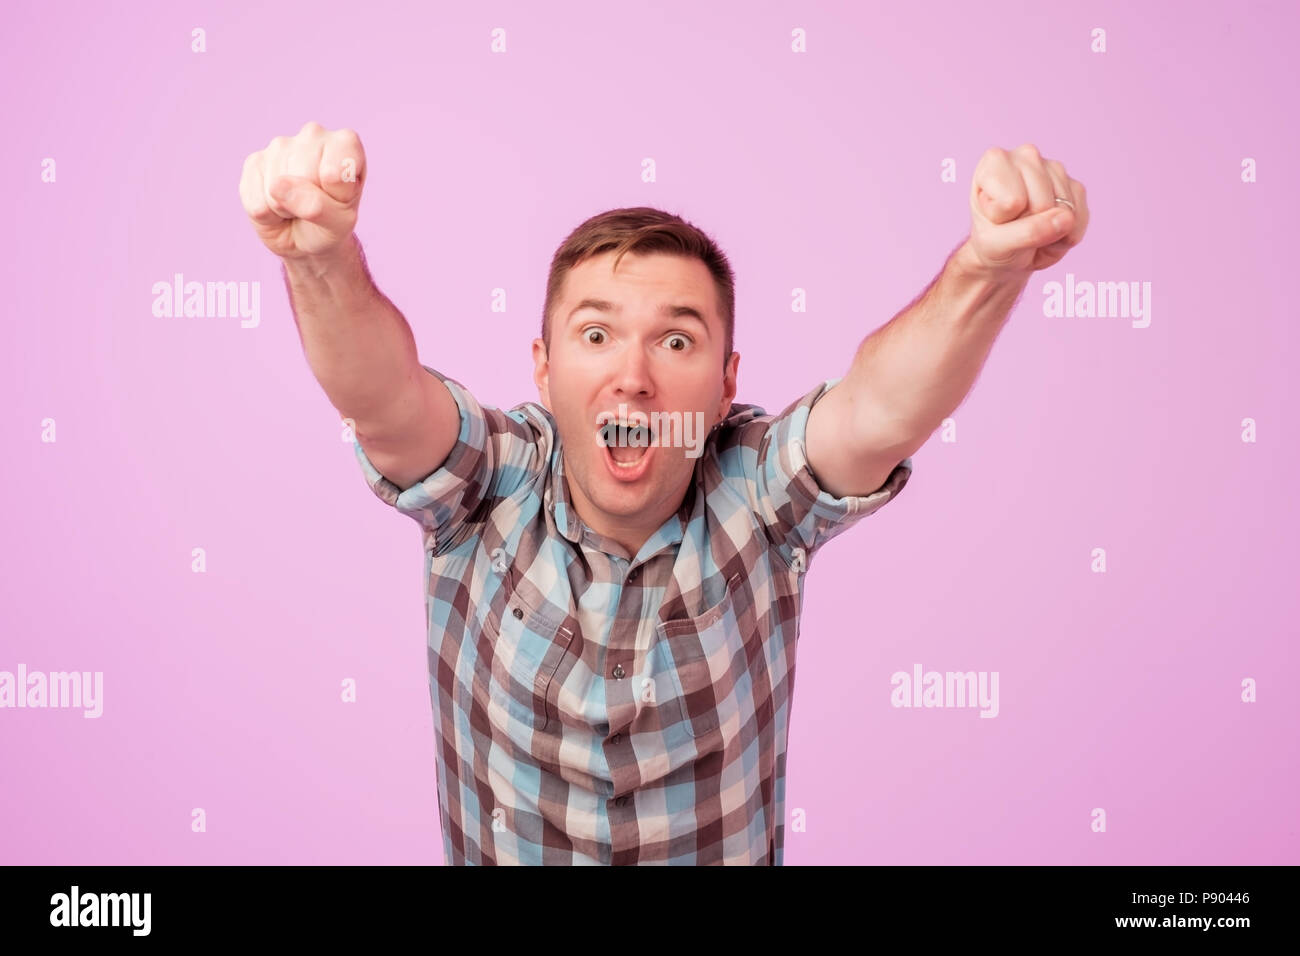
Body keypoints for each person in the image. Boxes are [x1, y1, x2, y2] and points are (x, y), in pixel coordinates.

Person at [239, 122, 1089, 864]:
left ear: (726, 386)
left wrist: (988, 267)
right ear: (544, 366)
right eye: (596, 333)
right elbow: (384, 400)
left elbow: (876, 412)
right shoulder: (488, 484)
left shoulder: (755, 491)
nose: (633, 378)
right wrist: (320, 261)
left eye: (676, 341)